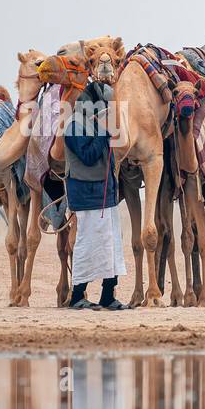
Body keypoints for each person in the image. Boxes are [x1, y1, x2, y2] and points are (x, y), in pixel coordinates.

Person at [63, 79, 128, 310]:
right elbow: (89, 156)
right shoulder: (73, 127)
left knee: (111, 246)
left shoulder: (95, 126)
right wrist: (102, 131)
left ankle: (108, 296)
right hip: (87, 196)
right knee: (87, 245)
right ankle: (77, 295)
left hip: (105, 196)